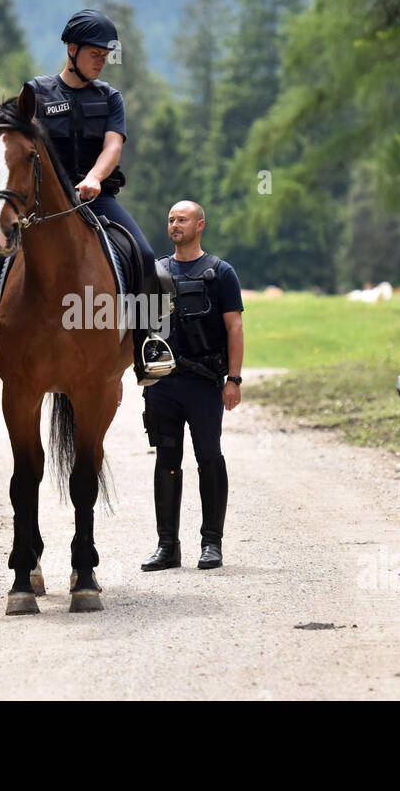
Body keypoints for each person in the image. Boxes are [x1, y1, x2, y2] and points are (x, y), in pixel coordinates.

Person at [0, 9, 172, 385]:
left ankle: (149, 344)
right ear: (72, 50)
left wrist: (94, 178)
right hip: (44, 205)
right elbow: (11, 141)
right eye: (95, 52)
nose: (102, 60)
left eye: (106, 55)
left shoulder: (111, 99)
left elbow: (113, 147)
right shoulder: (37, 94)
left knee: (143, 254)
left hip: (96, 196)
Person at [141, 201, 244, 571]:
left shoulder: (221, 273)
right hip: (163, 385)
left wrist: (233, 379)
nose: (174, 225)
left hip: (204, 384)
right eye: (170, 219)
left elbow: (235, 328)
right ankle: (167, 547)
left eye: (182, 219)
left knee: (208, 458)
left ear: (200, 224)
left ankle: (211, 544)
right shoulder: (154, 273)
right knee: (167, 460)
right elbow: (140, 331)